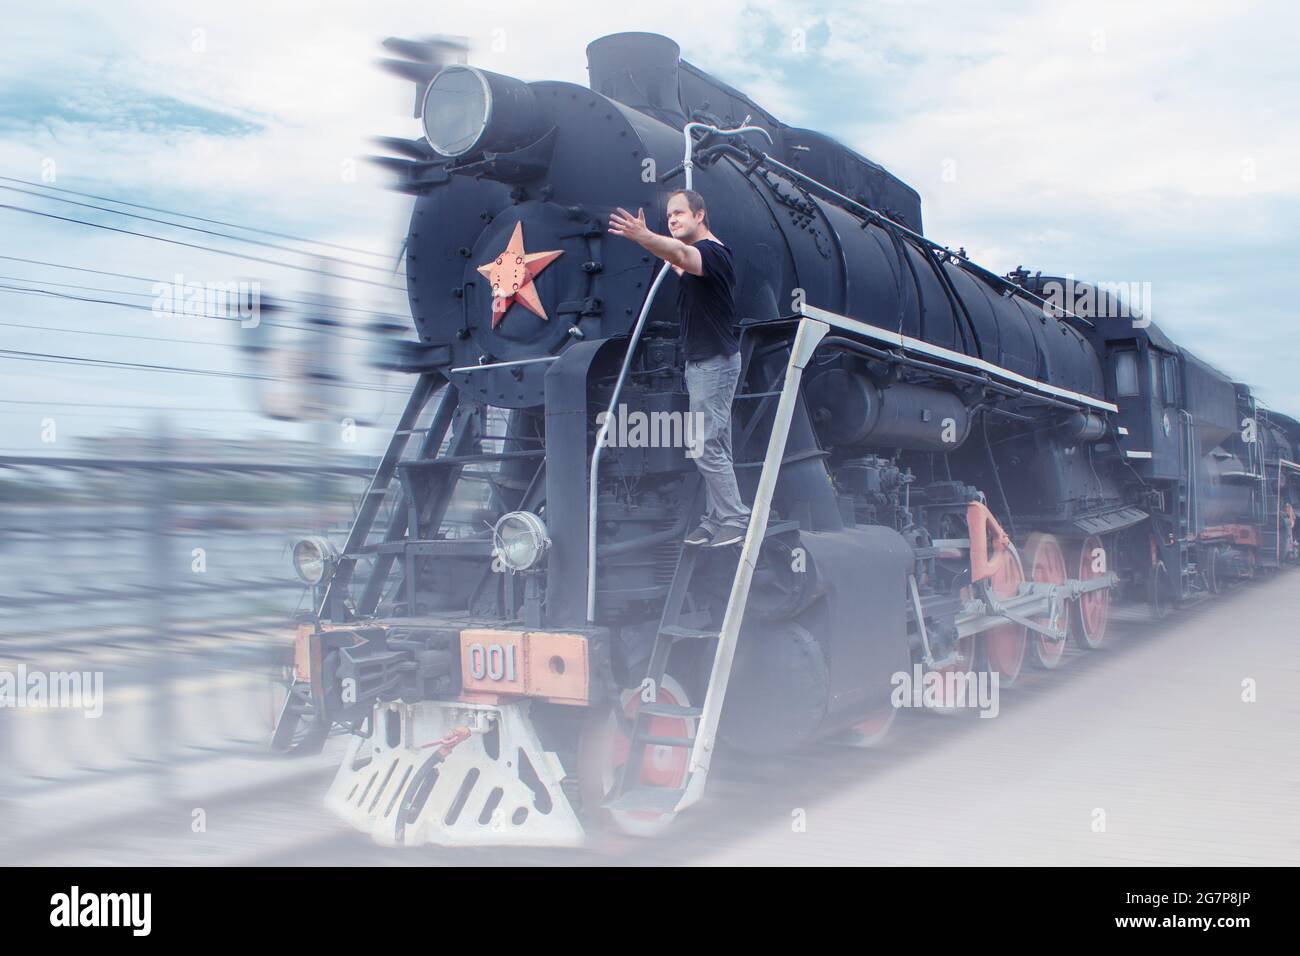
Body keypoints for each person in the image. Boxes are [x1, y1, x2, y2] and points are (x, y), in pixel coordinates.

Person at [608, 190, 750, 547]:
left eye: (680, 213)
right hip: (703, 362)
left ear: (700, 214)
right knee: (716, 444)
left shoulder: (712, 254)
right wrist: (657, 245)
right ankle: (714, 518)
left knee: (703, 445)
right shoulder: (695, 259)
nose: (672, 219)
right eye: (669, 215)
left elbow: (681, 253)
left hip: (713, 362)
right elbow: (676, 256)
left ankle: (735, 517)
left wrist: (643, 236)